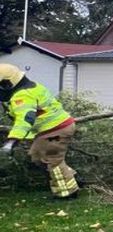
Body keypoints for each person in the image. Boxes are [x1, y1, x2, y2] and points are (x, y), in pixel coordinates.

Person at [0, 64, 79, 199]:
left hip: (56, 130)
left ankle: (67, 192)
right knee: (36, 156)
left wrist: (11, 141)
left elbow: (25, 119)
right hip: (50, 129)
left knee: (52, 160)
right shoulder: (32, 87)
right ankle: (70, 176)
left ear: (7, 84)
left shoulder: (22, 96)